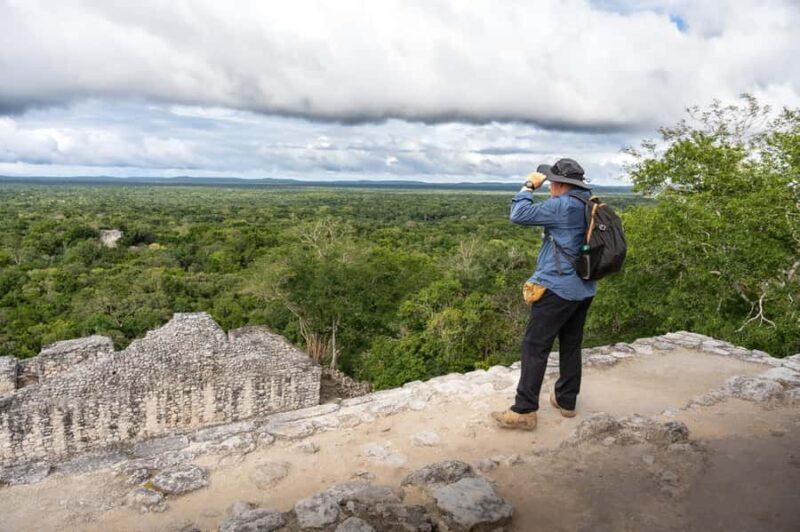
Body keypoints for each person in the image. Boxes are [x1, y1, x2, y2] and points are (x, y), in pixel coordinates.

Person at [491, 158, 596, 430]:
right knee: (571, 344)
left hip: (557, 288)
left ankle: (524, 410)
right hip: (584, 287)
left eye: (551, 182)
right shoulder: (590, 201)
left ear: (559, 183)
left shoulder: (563, 205)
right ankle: (566, 400)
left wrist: (529, 186)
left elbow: (519, 214)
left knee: (534, 346)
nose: (549, 186)